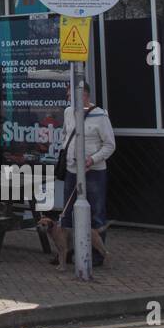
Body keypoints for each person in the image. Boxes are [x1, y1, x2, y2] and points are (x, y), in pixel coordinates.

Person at [45, 81, 115, 268]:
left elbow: (110, 145)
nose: (68, 99)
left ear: (84, 95)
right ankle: (64, 252)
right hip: (72, 169)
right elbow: (66, 134)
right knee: (67, 213)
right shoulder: (69, 112)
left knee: (96, 214)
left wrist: (92, 159)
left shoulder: (100, 116)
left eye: (71, 95)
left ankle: (97, 254)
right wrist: (66, 152)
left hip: (93, 172)